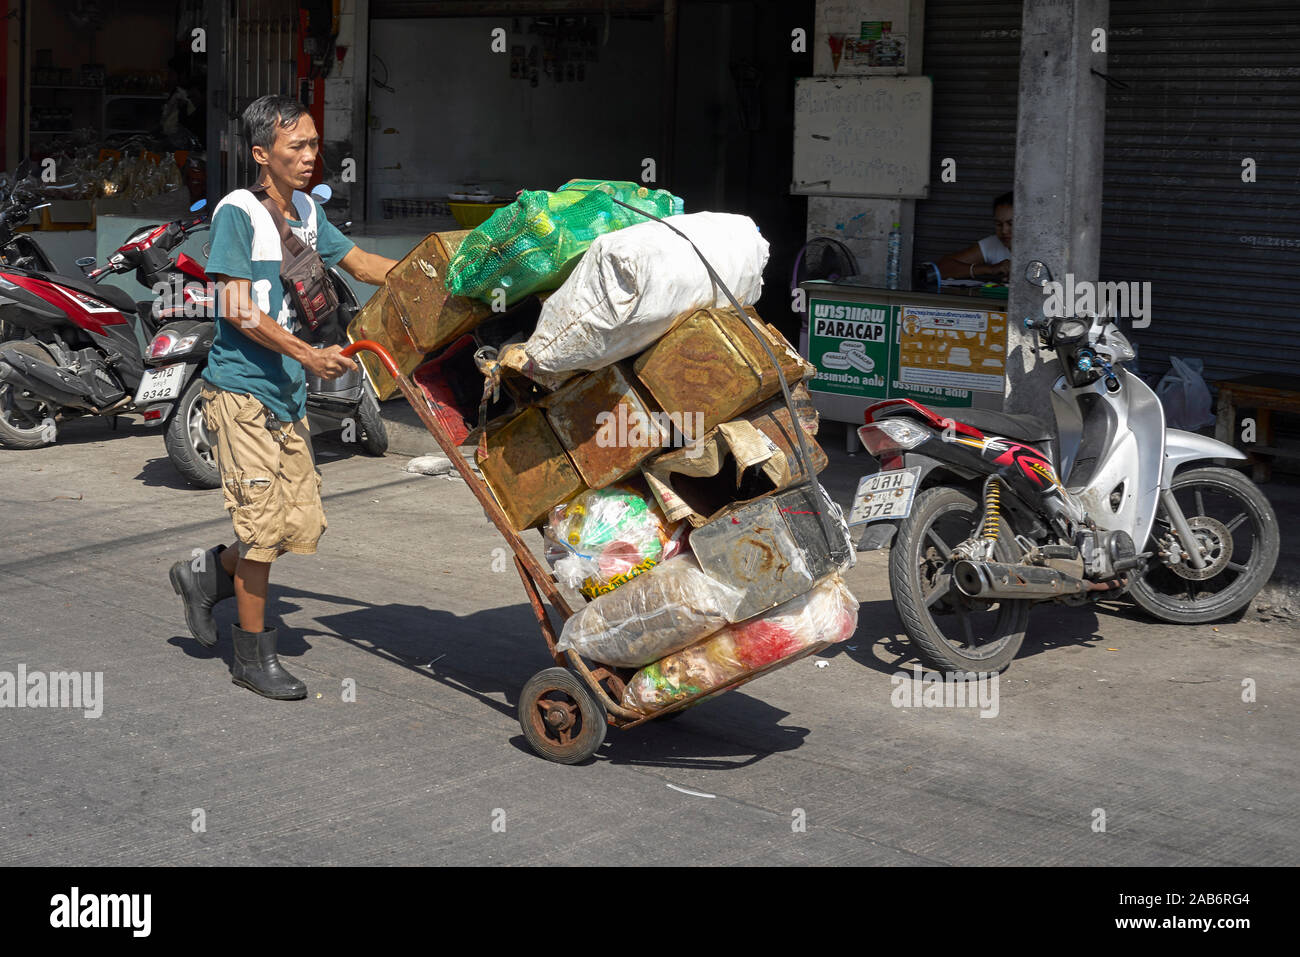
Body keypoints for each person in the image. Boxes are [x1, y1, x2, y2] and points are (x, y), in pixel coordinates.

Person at [168, 95, 397, 700]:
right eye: (296, 146)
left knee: (297, 521)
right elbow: (237, 307)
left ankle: (206, 574)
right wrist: (305, 355)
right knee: (264, 530)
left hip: (287, 397)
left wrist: (439, 274)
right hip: (241, 394)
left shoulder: (308, 215)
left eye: (314, 144)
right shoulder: (237, 213)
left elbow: (364, 263)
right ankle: (252, 656)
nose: (309, 156)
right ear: (261, 153)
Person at [936, 190, 1013, 281]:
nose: (1004, 231)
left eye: (1011, 223)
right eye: (999, 224)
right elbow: (939, 269)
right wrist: (990, 269)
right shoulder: (993, 243)